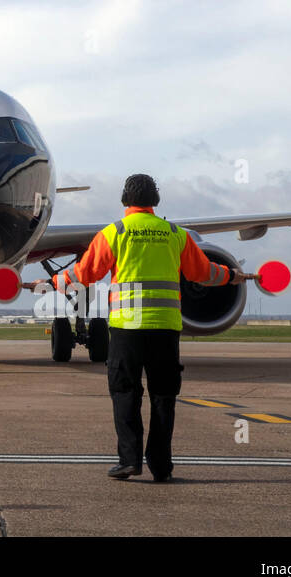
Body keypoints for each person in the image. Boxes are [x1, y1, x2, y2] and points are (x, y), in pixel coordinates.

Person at [48, 174, 250, 483]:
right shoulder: (175, 233)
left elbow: (83, 275)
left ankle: (129, 461)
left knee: (125, 393)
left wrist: (52, 282)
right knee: (163, 397)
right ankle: (161, 465)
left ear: (124, 200)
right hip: (165, 330)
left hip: (127, 330)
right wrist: (231, 275)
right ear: (155, 201)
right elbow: (203, 273)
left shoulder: (114, 233)